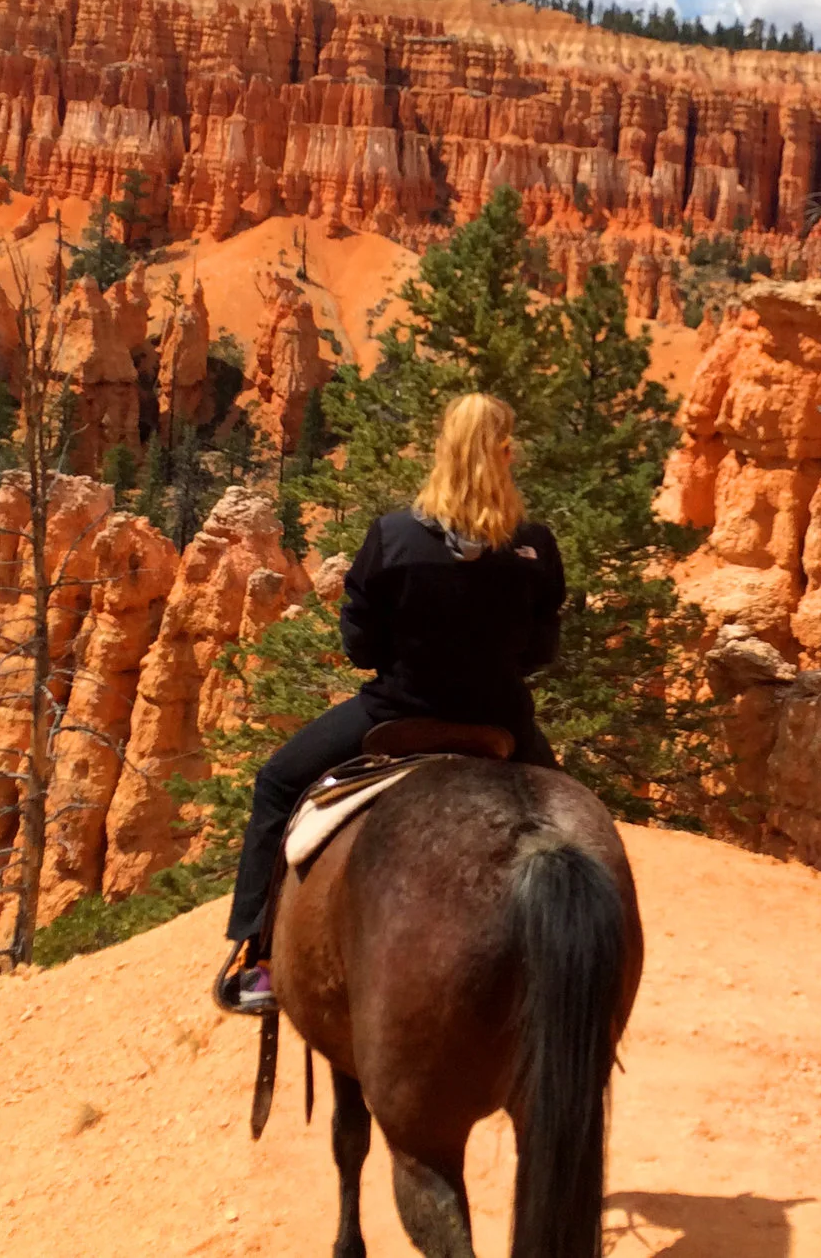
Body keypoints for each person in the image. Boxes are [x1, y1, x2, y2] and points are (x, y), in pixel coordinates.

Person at [215, 392, 564, 1015]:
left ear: (442, 452)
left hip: (397, 714)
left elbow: (359, 643)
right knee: (574, 827)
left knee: (276, 783)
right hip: (501, 724)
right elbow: (542, 651)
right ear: (506, 456)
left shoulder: (395, 536)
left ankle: (258, 960)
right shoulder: (535, 546)